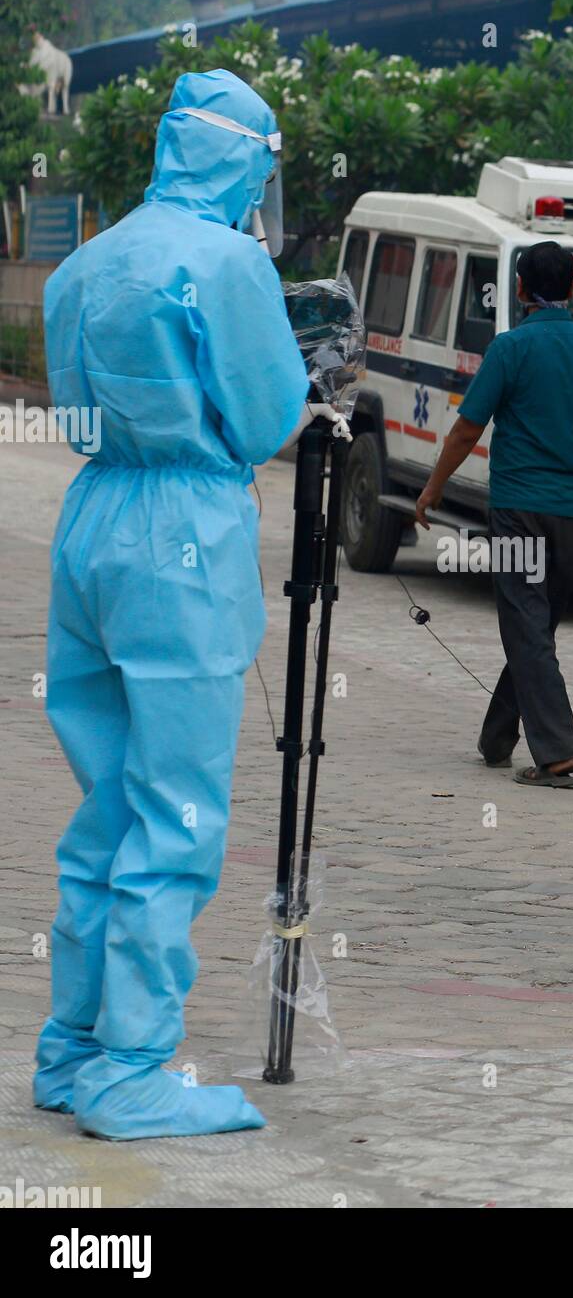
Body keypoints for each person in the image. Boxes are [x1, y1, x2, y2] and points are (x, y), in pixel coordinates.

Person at [36, 70, 343, 1140]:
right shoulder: (229, 260)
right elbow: (264, 416)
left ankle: (71, 1050)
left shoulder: (81, 263)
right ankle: (131, 1070)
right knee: (175, 809)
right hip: (182, 533)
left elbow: (74, 418)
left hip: (93, 518)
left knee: (107, 804)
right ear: (244, 159)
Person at [415, 240, 573, 789]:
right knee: (534, 628)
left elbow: (468, 428)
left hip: (518, 510)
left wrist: (432, 489)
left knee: (528, 629)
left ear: (519, 289)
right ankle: (497, 738)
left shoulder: (509, 348)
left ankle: (559, 751)